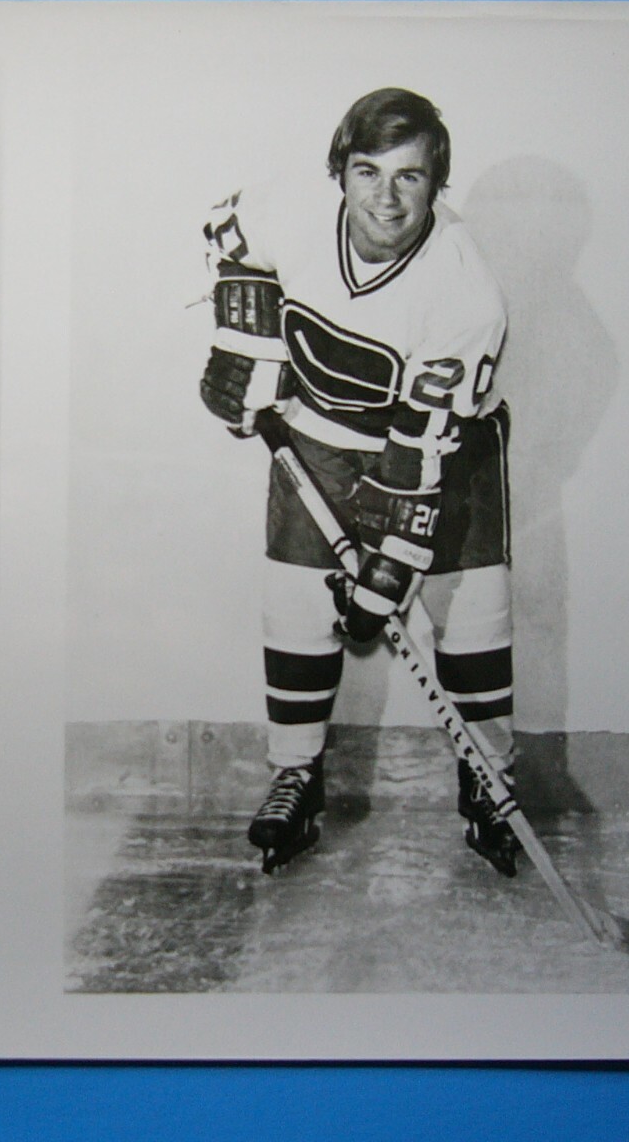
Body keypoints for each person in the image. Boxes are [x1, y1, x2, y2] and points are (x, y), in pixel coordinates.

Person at [199, 88, 517, 875]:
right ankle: (296, 775)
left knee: (472, 620)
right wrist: (244, 349)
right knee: (295, 607)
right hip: (317, 437)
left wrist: (392, 567)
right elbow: (230, 245)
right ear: (339, 170)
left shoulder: (466, 295)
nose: (385, 196)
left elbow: (420, 452)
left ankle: (488, 780)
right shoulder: (286, 207)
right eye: (368, 171)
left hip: (447, 452)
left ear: (437, 186)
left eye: (410, 177)